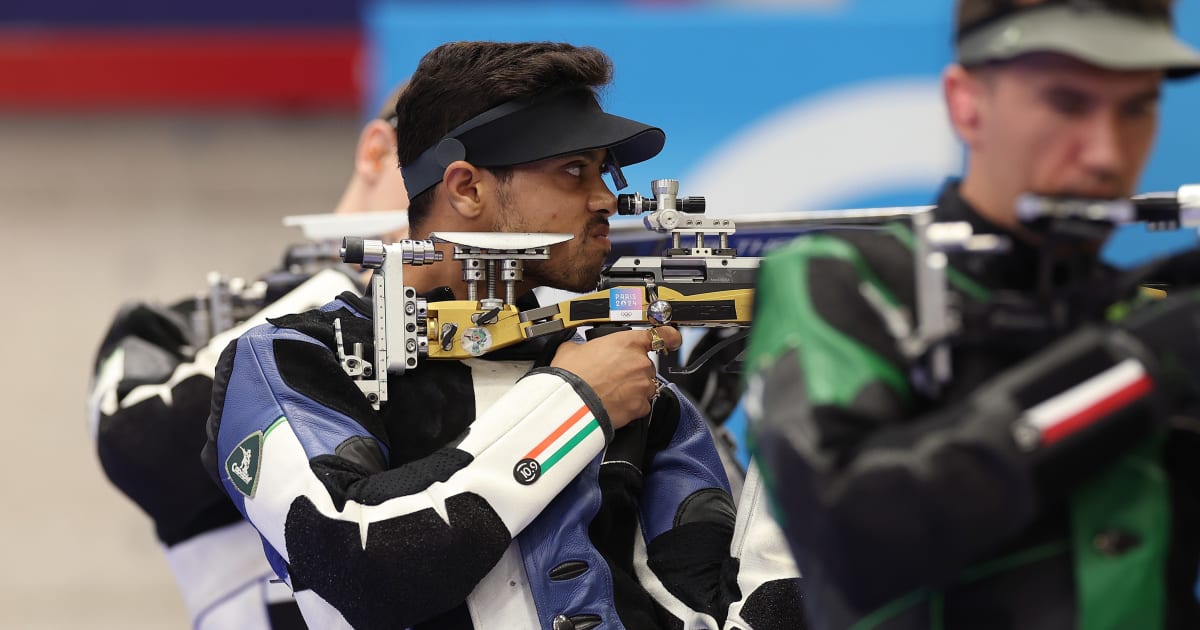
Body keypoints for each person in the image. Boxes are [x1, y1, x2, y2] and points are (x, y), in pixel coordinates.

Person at [203, 41, 804, 630]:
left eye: (604, 172)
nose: (605, 199)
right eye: (574, 170)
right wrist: (575, 403)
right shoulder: (296, 360)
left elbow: (722, 610)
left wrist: (808, 415)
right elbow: (360, 567)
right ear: (465, 188)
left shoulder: (637, 386)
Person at [744, 0, 1200, 627]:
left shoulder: (1145, 312)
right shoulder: (847, 280)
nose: (1106, 153)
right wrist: (1135, 370)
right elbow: (852, 535)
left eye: (1136, 108)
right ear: (966, 103)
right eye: (1068, 103)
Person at [86, 90, 410, 630]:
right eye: (449, 171)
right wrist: (350, 297)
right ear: (377, 152)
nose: (467, 203)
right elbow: (140, 445)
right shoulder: (182, 327)